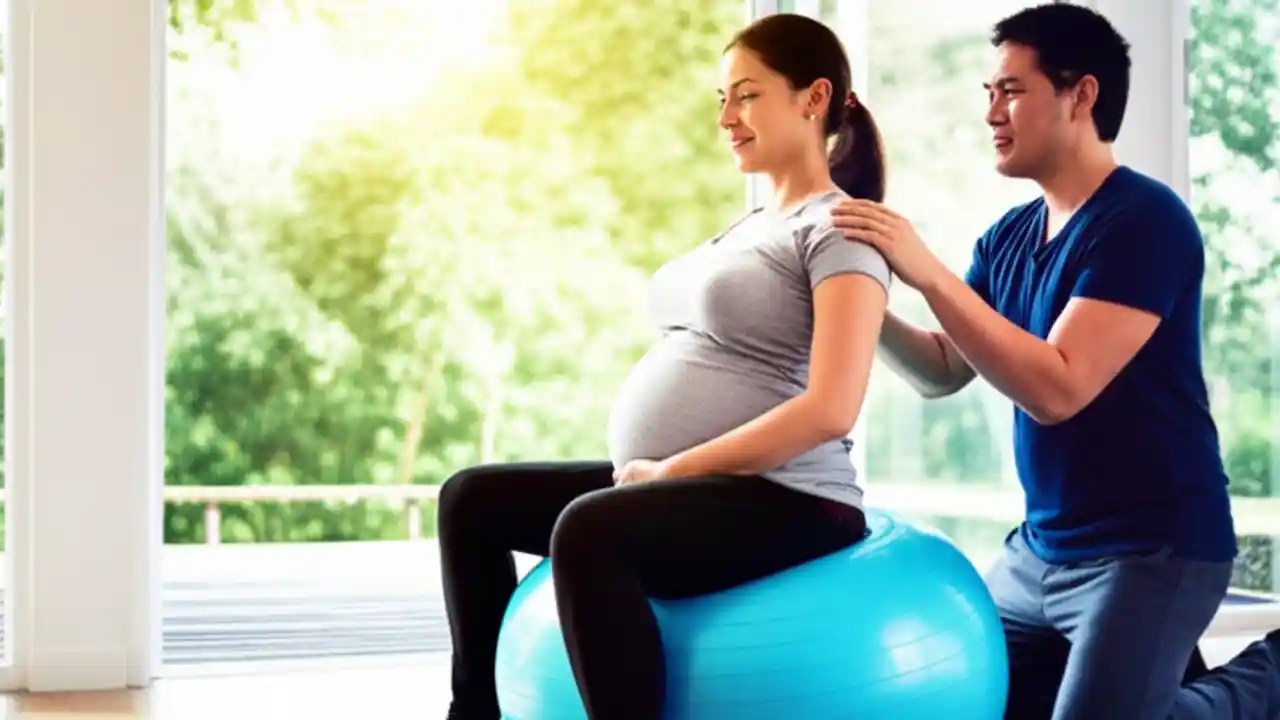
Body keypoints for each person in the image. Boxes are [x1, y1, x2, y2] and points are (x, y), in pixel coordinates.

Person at [832, 4, 1280, 719]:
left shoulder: (1144, 221)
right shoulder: (1009, 237)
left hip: (1150, 550)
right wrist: (854, 301)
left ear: (1082, 94)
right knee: (965, 693)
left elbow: (1059, 387)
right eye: (988, 93)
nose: (991, 113)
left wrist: (928, 273)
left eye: (1011, 90)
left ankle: (1261, 682)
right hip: (1038, 555)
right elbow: (945, 368)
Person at [438, 14, 891, 720]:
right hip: (696, 483)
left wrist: (672, 470)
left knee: (590, 530)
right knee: (472, 500)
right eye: (720, 99)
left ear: (814, 97)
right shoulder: (750, 225)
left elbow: (831, 407)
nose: (726, 118)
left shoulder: (841, 229)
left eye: (746, 95)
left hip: (791, 498)